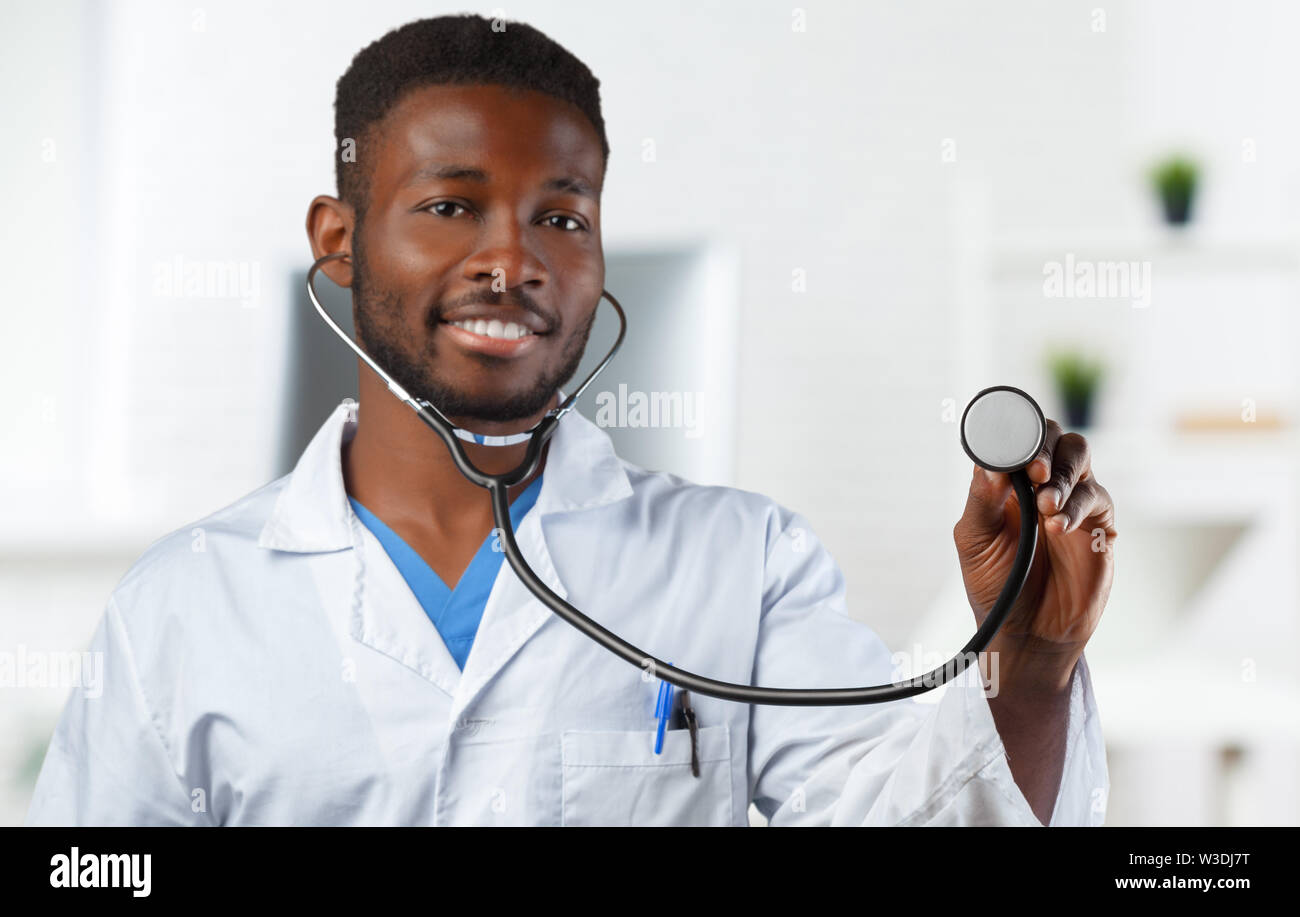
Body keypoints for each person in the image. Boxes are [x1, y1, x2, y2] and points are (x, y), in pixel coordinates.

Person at [26, 13, 1117, 826]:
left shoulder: (746, 565)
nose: (514, 260)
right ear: (340, 238)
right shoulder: (179, 607)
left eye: (561, 214)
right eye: (450, 205)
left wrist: (1033, 666)